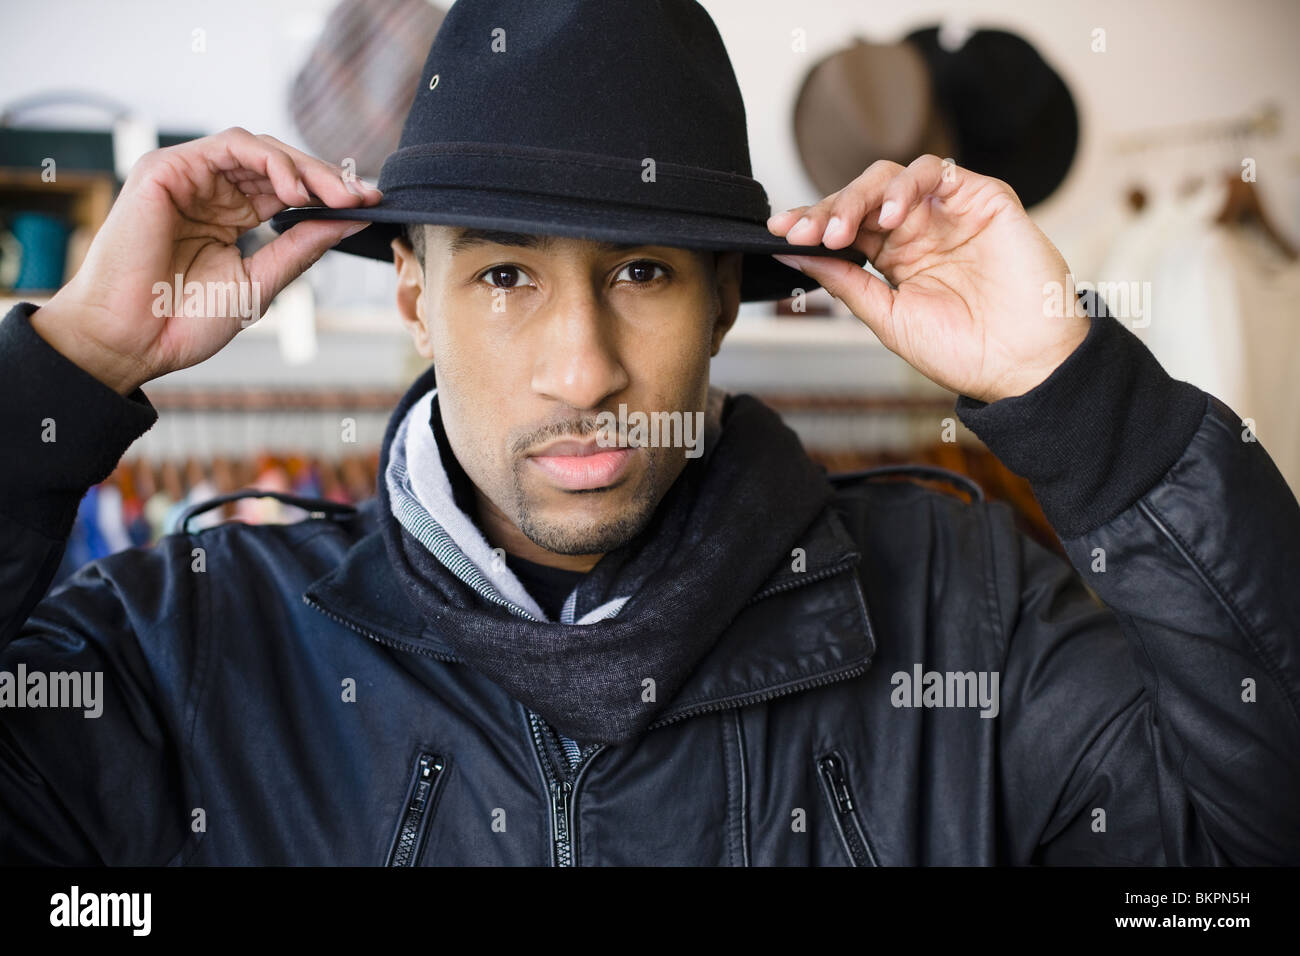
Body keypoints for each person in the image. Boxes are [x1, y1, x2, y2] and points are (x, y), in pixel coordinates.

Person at [1, 0, 1297, 866]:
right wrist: (66, 371)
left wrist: (1082, 402)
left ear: (728, 296)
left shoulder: (968, 617)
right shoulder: (189, 649)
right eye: (505, 275)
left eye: (644, 274)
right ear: (415, 299)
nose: (583, 372)